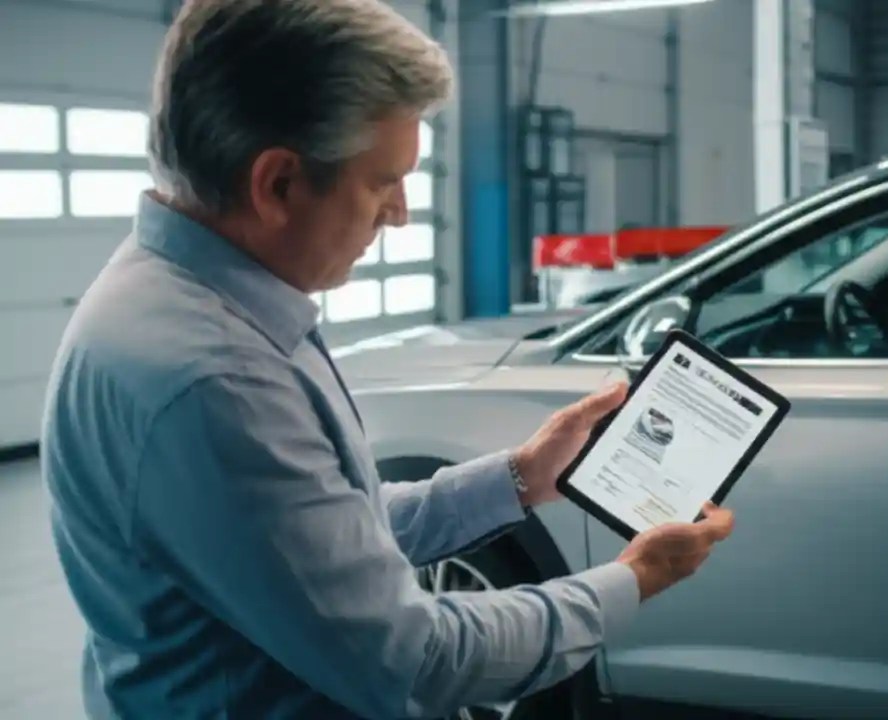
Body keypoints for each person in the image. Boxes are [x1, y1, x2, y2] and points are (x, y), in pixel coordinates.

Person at [39, 1, 735, 718]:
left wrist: (520, 478)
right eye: (383, 181)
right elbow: (417, 658)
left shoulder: (167, 292)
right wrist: (635, 579)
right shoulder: (218, 379)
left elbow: (329, 534)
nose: (401, 211)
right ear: (276, 184)